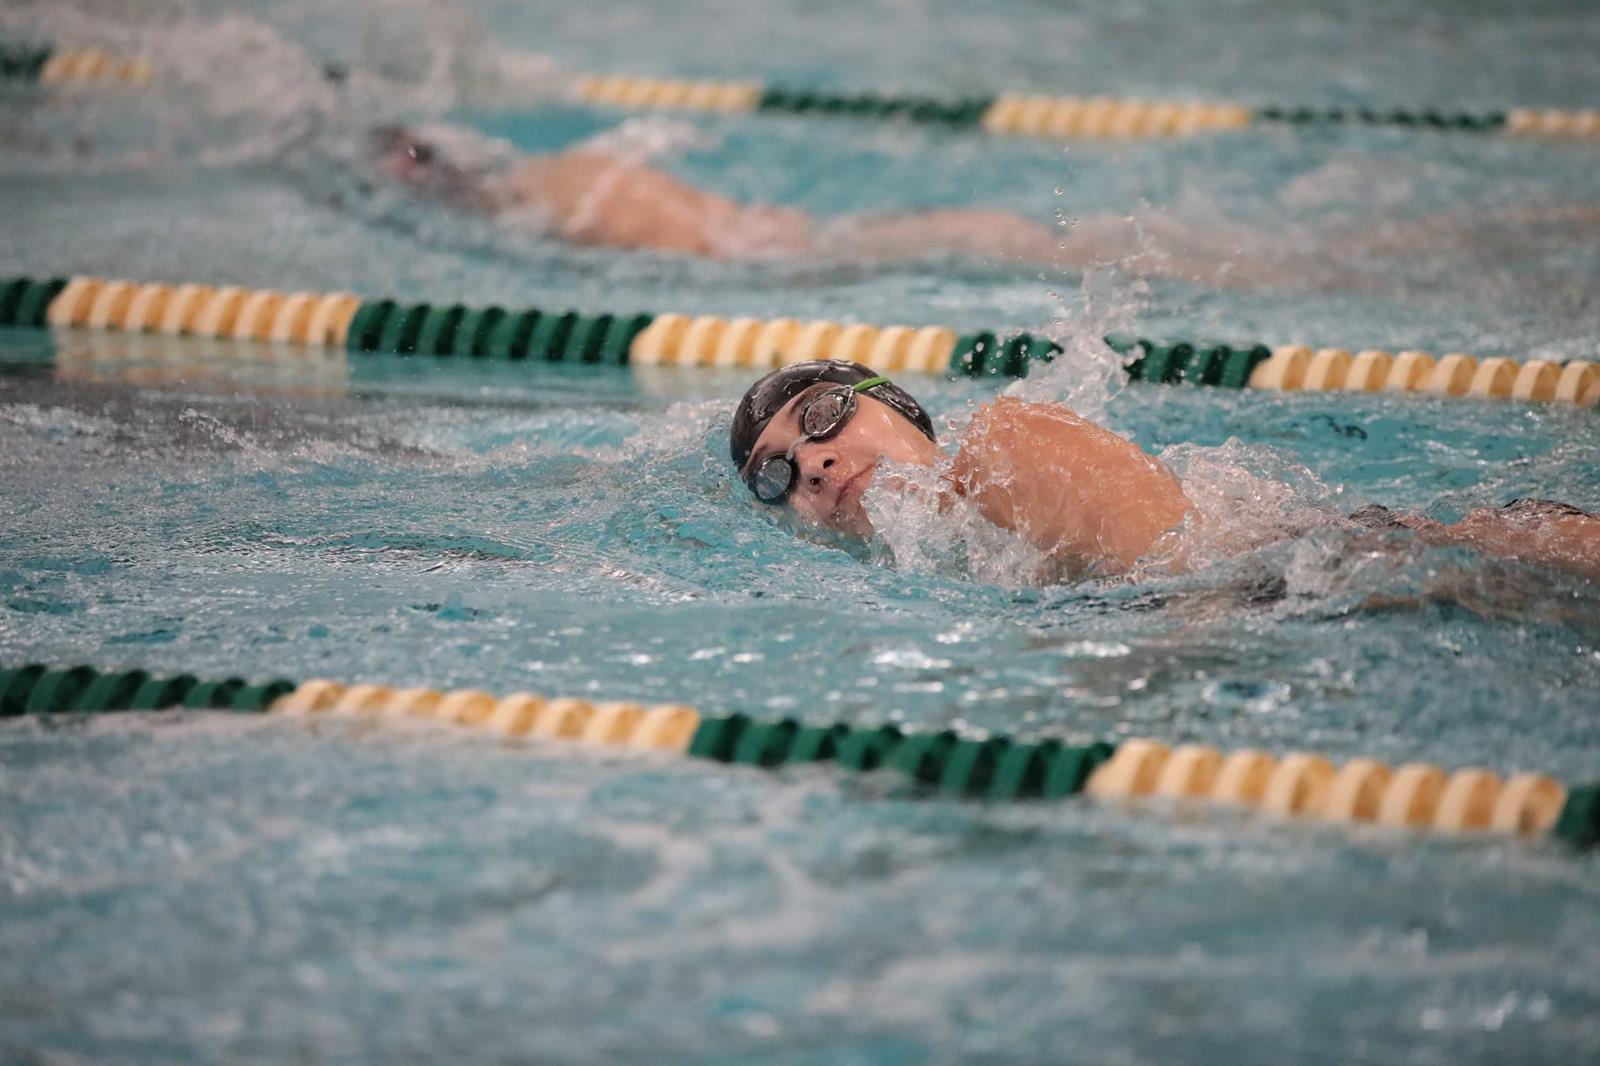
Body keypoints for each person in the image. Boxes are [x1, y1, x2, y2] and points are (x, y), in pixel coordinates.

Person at [729, 360, 1600, 581]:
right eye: (777, 474)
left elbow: (1191, 572)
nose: (812, 460)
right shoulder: (953, 560)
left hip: (1399, 567)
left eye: (822, 416)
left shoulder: (1005, 444)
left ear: (902, 405)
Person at [367, 123, 1061, 261]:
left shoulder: (557, 200)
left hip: (768, 255)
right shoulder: (562, 173)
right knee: (992, 235)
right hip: (777, 237)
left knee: (1003, 243)